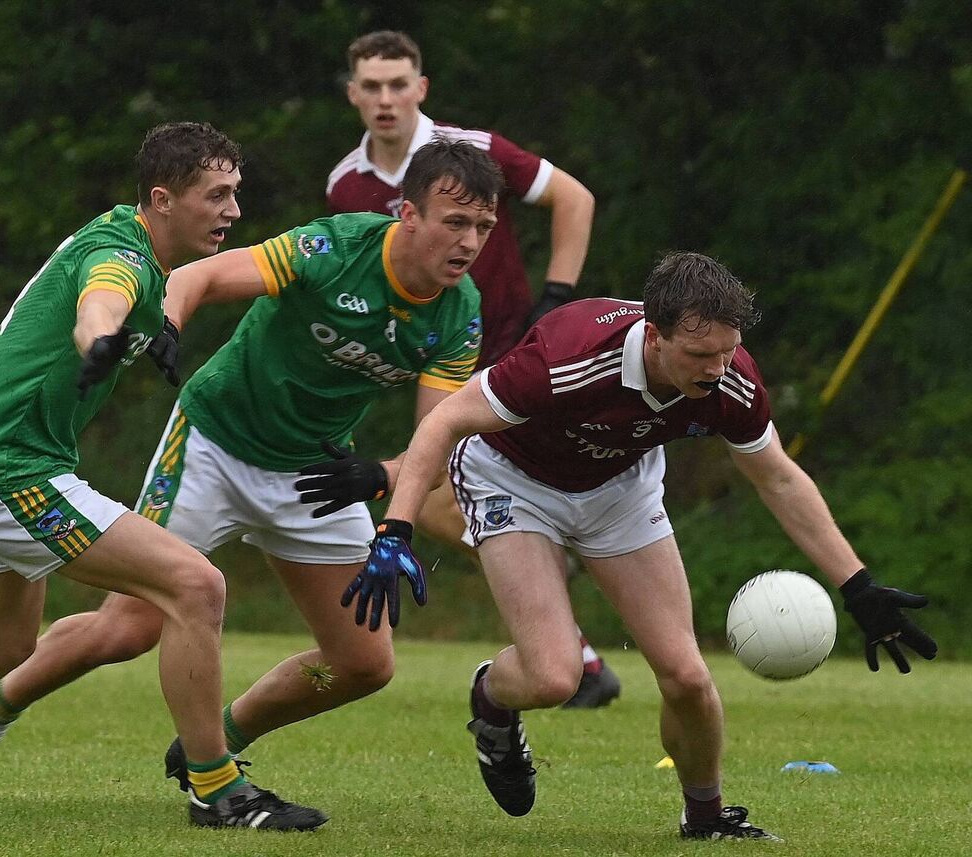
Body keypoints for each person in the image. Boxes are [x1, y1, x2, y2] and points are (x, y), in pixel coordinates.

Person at [0, 140, 500, 813]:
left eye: (483, 227)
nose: (469, 242)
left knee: (366, 664)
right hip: (213, 444)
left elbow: (437, 438)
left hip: (318, 473)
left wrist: (381, 476)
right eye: (454, 222)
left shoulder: (460, 314)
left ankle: (214, 741)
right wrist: (167, 320)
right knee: (126, 630)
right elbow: (201, 277)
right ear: (408, 213)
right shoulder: (331, 247)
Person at [0, 122, 327, 831]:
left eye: (234, 193)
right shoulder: (118, 251)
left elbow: (133, 291)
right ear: (162, 198)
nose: (232, 210)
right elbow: (102, 299)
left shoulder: (130, 240)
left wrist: (145, 327)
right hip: (9, 472)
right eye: (216, 195)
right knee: (195, 583)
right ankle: (218, 790)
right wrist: (101, 337)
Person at [344, 251, 937, 841]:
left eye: (728, 351)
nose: (717, 368)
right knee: (555, 677)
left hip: (619, 494)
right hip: (513, 482)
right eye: (701, 355)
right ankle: (492, 699)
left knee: (688, 679)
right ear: (653, 336)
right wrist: (397, 528)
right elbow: (445, 421)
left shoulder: (733, 379)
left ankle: (705, 818)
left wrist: (856, 585)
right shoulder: (568, 357)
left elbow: (777, 476)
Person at [328, 29, 619, 708]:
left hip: (514, 357)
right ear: (352, 95)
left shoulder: (475, 150)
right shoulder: (347, 183)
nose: (386, 99)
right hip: (442, 371)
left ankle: (574, 640)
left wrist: (557, 300)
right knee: (435, 505)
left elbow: (575, 200)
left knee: (443, 497)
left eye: (398, 83)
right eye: (371, 86)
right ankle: (574, 646)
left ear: (420, 88)